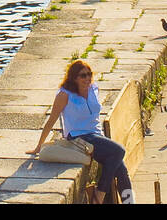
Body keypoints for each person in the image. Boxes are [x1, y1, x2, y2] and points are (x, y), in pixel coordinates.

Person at [28, 60, 133, 204]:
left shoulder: (94, 89)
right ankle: (100, 194)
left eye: (89, 74)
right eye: (83, 75)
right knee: (119, 151)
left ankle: (129, 202)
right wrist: (39, 146)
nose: (87, 78)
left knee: (121, 169)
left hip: (96, 135)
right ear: (74, 78)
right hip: (79, 137)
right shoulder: (64, 95)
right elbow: (51, 120)